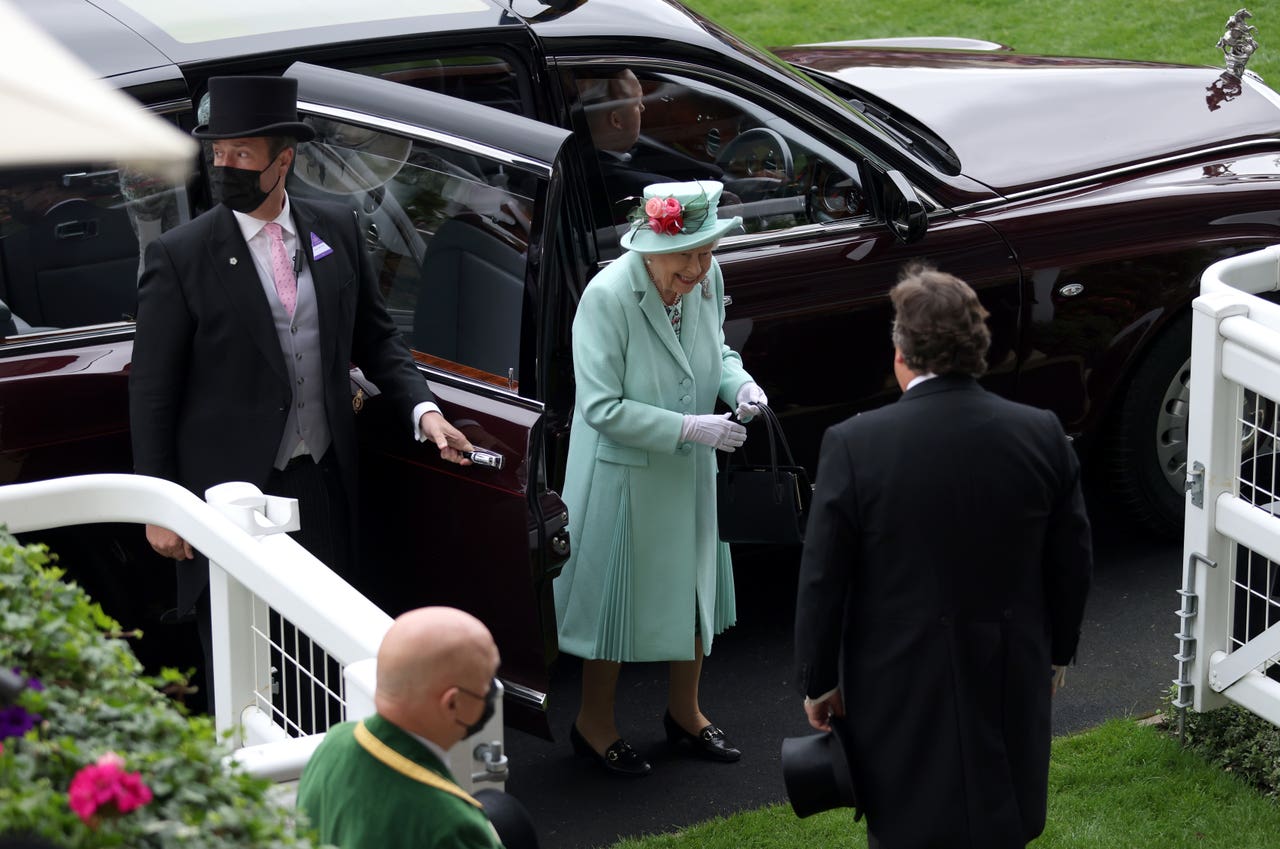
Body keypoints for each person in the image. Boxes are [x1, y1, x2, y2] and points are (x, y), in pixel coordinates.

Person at [128, 76, 474, 706]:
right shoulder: (182, 255)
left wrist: (424, 411)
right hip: (228, 494)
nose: (224, 166)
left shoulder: (335, 227)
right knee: (243, 662)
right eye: (217, 153)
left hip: (320, 479)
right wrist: (161, 505)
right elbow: (152, 389)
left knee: (326, 651)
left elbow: (376, 337)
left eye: (241, 154)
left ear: (282, 160)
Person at [793, 263, 1093, 849]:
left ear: (901, 353)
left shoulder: (855, 444)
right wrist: (1057, 652)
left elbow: (824, 577)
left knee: (909, 824)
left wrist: (819, 681)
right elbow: (1071, 561)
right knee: (1003, 816)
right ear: (978, 347)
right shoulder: (1041, 432)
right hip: (1009, 665)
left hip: (897, 677)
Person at [553, 179, 768, 776]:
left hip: (692, 467)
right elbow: (600, 408)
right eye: (687, 255)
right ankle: (593, 725)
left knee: (695, 590)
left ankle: (685, 713)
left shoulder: (706, 277)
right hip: (624, 475)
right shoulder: (606, 296)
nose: (698, 269)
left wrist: (740, 385)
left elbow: (718, 351)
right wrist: (689, 427)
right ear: (652, 247)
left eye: (707, 252)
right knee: (615, 604)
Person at [297, 607, 504, 849]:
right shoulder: (452, 826)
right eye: (486, 683)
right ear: (452, 703)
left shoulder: (335, 743)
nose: (491, 692)